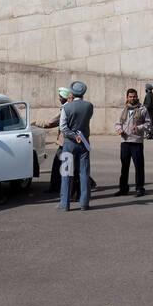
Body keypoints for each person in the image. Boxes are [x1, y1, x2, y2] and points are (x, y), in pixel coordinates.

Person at [59, 82, 94, 211]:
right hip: (84, 142)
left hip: (69, 143)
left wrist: (73, 135)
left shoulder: (66, 107)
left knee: (67, 173)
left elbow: (63, 127)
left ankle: (65, 203)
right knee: (84, 173)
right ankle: (84, 203)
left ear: (72, 93)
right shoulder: (89, 106)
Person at [114, 88, 152, 197]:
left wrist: (139, 128)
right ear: (127, 98)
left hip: (137, 142)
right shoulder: (123, 109)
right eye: (130, 97)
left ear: (137, 97)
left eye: (134, 96)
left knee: (139, 167)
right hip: (125, 141)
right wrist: (119, 129)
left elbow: (148, 124)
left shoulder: (143, 109)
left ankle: (140, 188)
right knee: (124, 166)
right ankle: (123, 189)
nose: (132, 98)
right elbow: (117, 123)